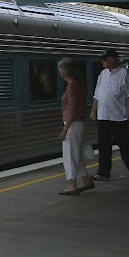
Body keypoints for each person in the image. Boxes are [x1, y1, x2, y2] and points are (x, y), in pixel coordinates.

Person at [90, 49, 129, 181]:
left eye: (104, 60)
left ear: (112, 60)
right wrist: (93, 110)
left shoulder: (125, 73)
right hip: (103, 115)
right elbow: (97, 94)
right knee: (103, 145)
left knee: (123, 143)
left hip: (119, 116)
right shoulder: (103, 74)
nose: (103, 62)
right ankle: (103, 172)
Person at [57, 58, 95, 196]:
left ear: (63, 71)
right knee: (76, 155)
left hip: (72, 125)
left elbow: (73, 109)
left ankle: (73, 185)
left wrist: (65, 129)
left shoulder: (72, 86)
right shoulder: (79, 84)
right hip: (78, 124)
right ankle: (86, 180)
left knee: (70, 155)